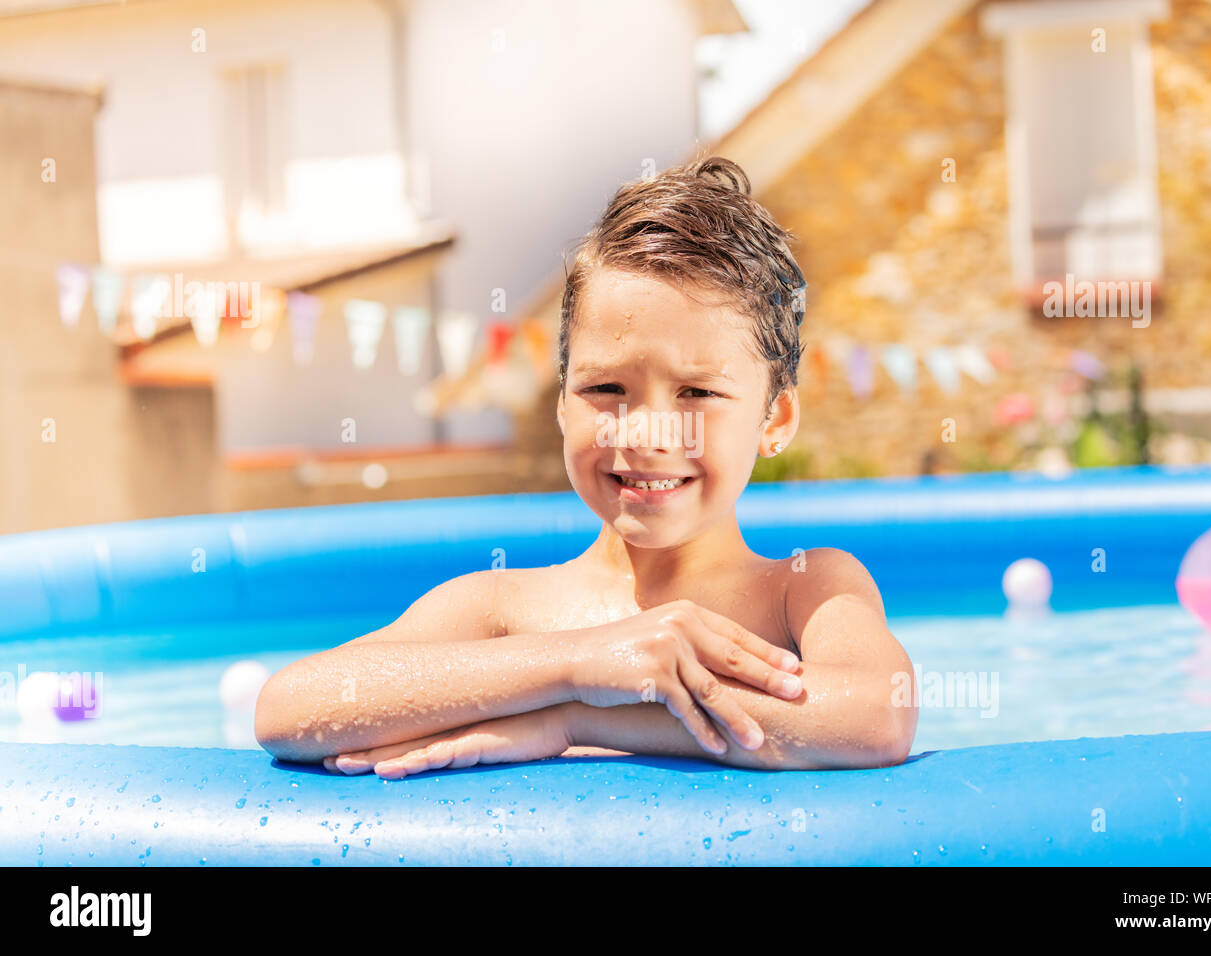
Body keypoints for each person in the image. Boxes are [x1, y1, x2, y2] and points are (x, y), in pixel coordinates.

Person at [254, 156, 917, 776]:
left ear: (774, 420)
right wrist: (577, 665)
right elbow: (288, 708)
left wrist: (573, 720)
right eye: (605, 390)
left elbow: (877, 716)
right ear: (564, 406)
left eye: (697, 393)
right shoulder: (498, 609)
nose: (648, 431)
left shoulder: (805, 590)